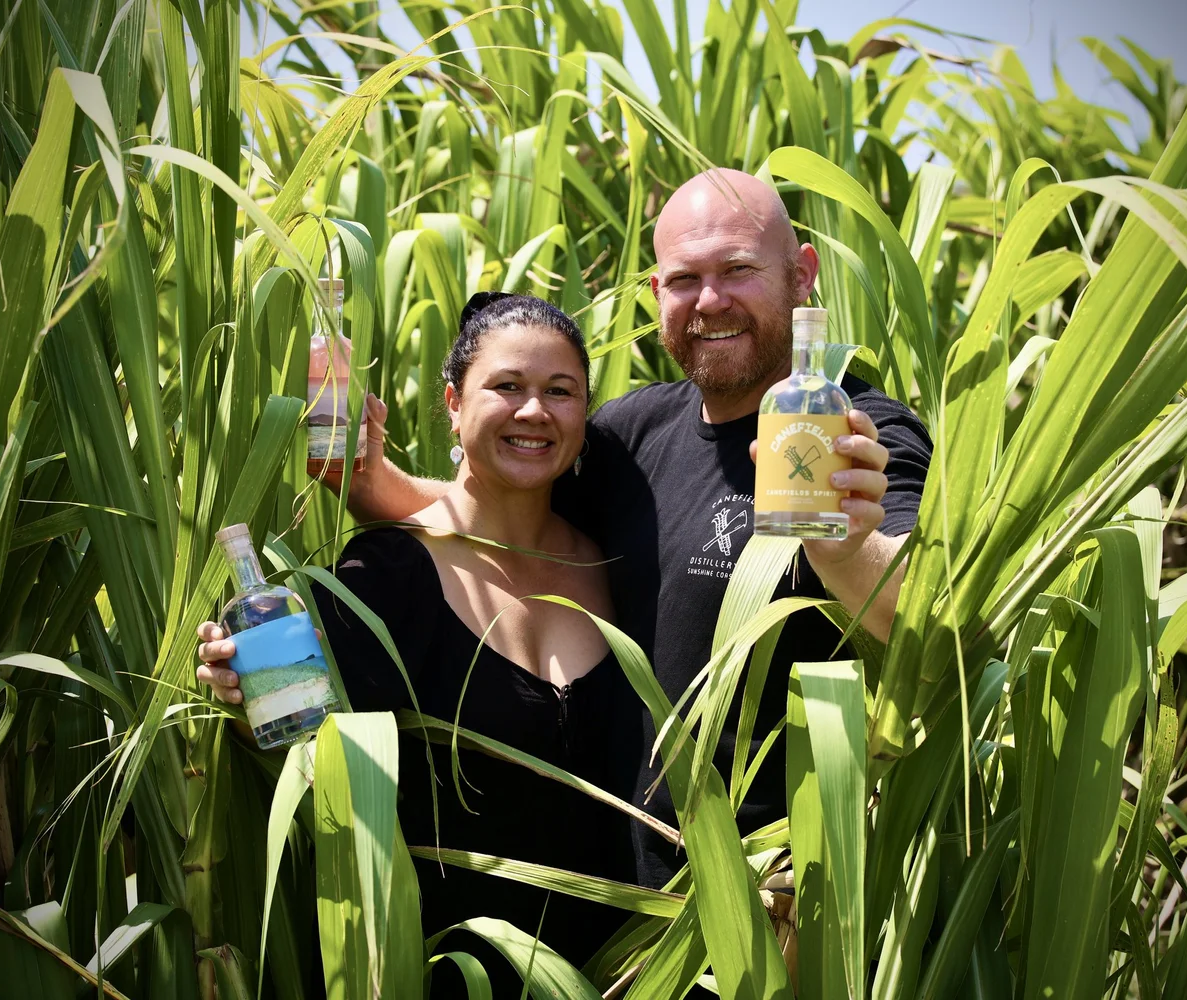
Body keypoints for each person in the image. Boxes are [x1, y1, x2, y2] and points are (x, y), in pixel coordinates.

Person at [336, 168, 934, 891]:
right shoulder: (633, 431)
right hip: (618, 908)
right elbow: (508, 509)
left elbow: (922, 607)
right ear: (657, 295)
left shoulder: (856, 428)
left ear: (801, 274)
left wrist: (841, 544)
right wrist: (379, 488)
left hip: (767, 905)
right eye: (685, 279)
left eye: (738, 270)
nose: (710, 301)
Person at [195, 294, 640, 996]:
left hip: (618, 971)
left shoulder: (616, 562)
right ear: (454, 406)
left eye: (561, 391)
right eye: (506, 387)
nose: (535, 411)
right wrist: (237, 689)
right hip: (446, 971)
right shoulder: (383, 575)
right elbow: (308, 754)